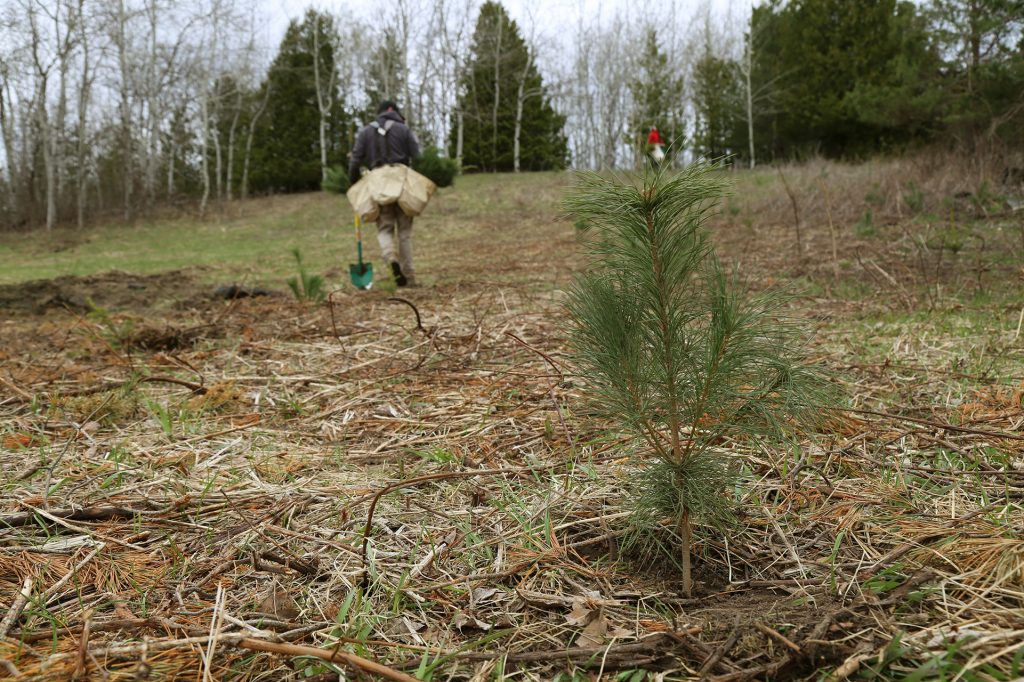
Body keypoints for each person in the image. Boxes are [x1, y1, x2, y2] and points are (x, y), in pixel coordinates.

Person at [349, 101, 421, 287]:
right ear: (393, 111)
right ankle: (410, 277)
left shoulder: (365, 132)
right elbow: (417, 156)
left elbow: (355, 160)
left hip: (377, 182)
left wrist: (353, 183)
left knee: (385, 228)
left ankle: (390, 257)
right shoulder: (403, 130)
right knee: (404, 233)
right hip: (402, 180)